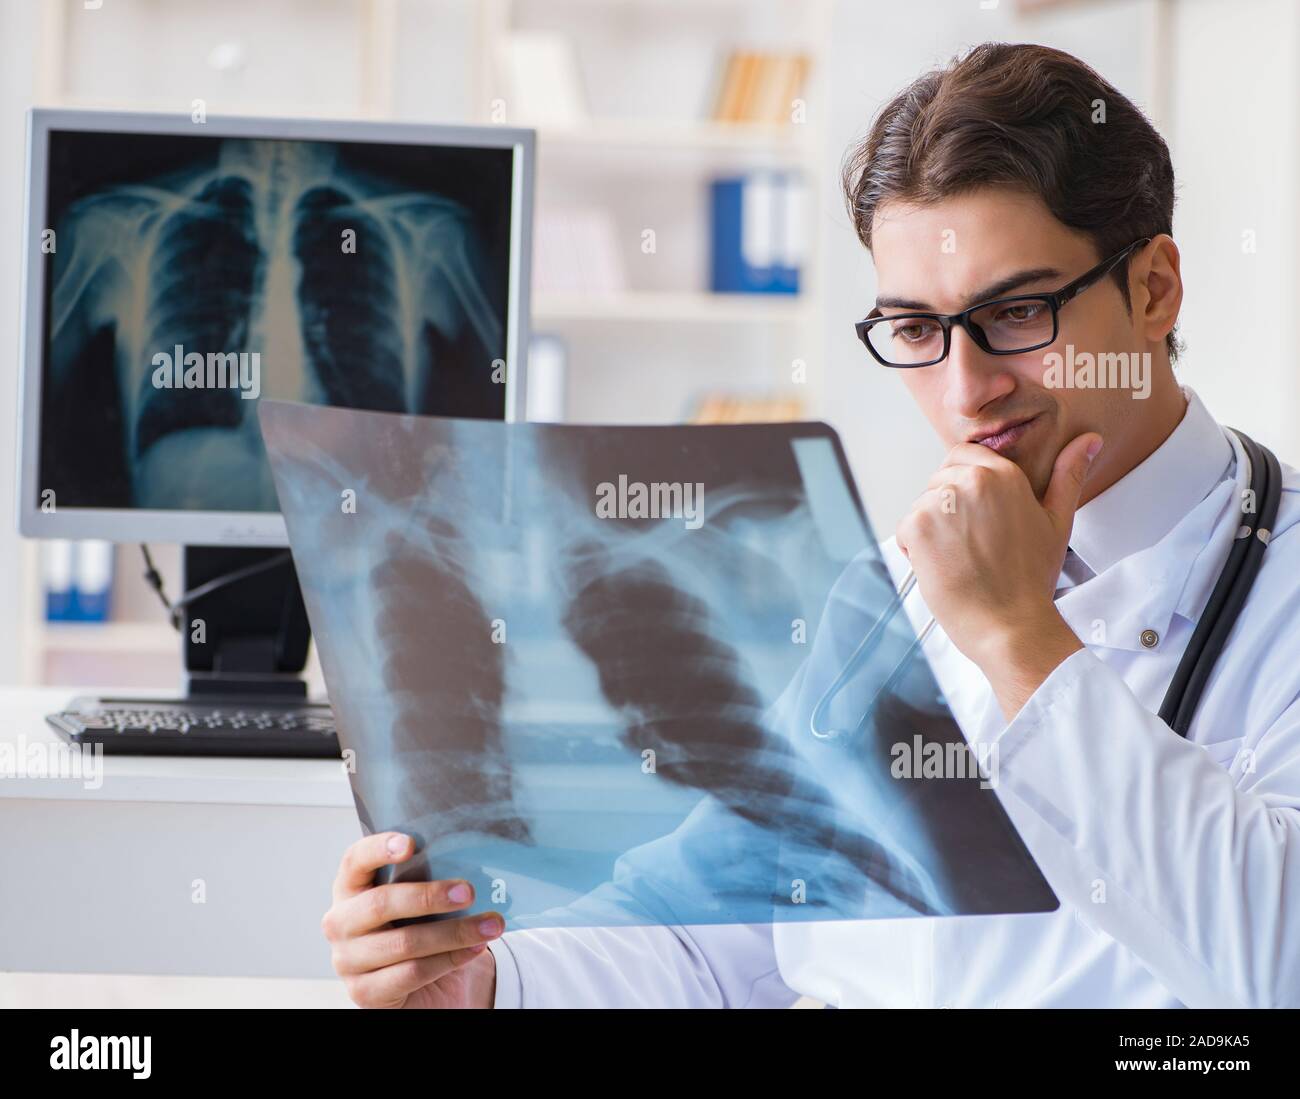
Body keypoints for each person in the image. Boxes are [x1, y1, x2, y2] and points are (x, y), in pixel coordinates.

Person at [319, 42, 1300, 1009]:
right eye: (915, 330)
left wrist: (1019, 641)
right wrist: (490, 983)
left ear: (1153, 288)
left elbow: (1275, 959)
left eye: (1018, 313)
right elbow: (720, 928)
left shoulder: (1279, 583)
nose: (967, 389)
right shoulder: (890, 593)